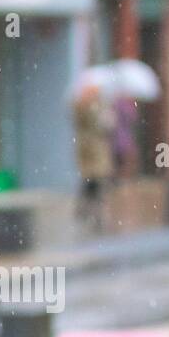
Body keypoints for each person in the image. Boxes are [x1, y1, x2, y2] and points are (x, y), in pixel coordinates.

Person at [73, 85, 115, 233]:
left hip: (94, 153)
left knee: (94, 184)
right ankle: (90, 213)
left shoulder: (93, 106)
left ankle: (93, 215)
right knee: (93, 184)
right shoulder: (85, 108)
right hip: (92, 152)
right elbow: (101, 126)